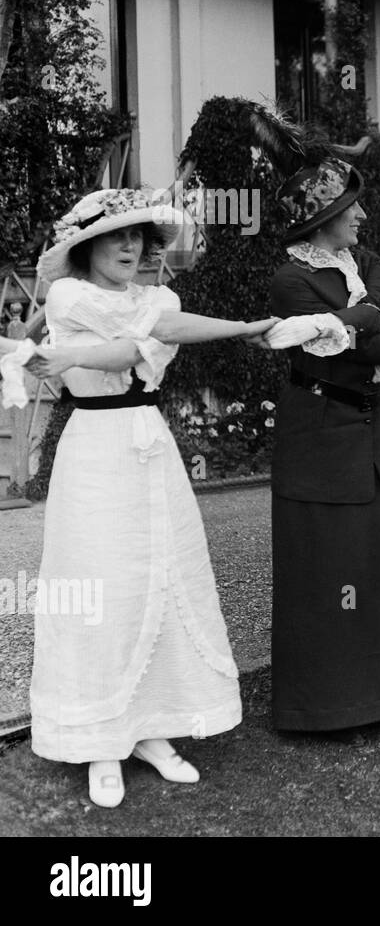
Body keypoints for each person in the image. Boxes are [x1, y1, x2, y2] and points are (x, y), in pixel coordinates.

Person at [19, 188, 270, 808]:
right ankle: (101, 740)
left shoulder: (157, 298)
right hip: (95, 446)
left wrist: (243, 327)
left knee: (160, 575)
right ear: (86, 248)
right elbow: (132, 346)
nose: (130, 246)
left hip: (150, 444)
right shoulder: (68, 295)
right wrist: (246, 328)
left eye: (138, 237)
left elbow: (148, 334)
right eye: (115, 237)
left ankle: (151, 727)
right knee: (100, 584)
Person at [266, 157, 380, 732]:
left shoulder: (363, 263)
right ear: (322, 218)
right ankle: (326, 704)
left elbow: (378, 316)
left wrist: (353, 320)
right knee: (327, 567)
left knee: (374, 562)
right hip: (319, 436)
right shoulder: (290, 280)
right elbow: (360, 349)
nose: (362, 216)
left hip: (370, 431)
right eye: (351, 208)